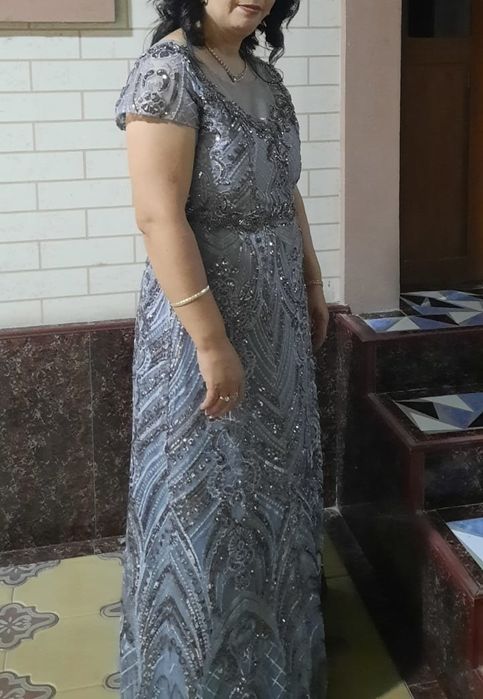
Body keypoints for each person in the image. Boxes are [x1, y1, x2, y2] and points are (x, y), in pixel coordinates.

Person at [114, 0, 330, 695]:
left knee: (272, 482)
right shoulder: (167, 73)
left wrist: (311, 280)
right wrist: (210, 343)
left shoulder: (263, 76)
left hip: (276, 317)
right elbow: (158, 214)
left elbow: (286, 192)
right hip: (202, 319)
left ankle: (274, 666)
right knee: (205, 487)